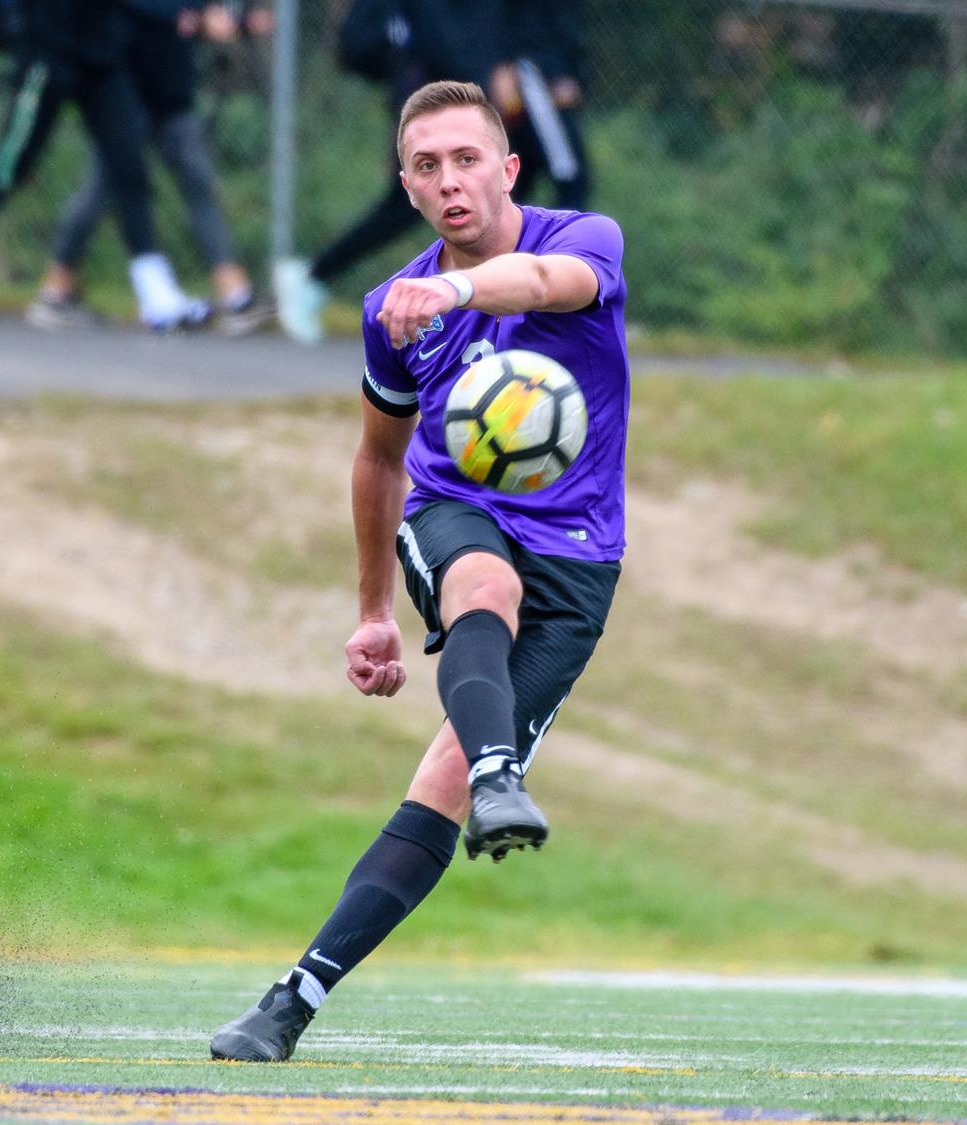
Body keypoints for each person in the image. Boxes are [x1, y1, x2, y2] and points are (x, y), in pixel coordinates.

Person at [209, 79, 629, 1063]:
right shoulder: (391, 312)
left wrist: (452, 288)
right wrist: (368, 611)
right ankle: (500, 771)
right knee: (485, 588)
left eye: (467, 159)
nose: (450, 181)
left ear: (508, 167)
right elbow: (378, 459)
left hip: (579, 554)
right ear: (405, 186)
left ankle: (289, 1001)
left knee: (438, 782)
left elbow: (541, 286)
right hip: (454, 512)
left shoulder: (587, 238)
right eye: (427, 166)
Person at [0, 0, 209, 331]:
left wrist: (191, 11)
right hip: (46, 56)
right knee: (9, 167)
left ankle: (156, 294)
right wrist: (17, 31)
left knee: (130, 168)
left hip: (102, 56)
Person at [27, 1, 267, 332]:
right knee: (101, 190)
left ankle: (236, 296)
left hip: (171, 97)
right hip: (126, 98)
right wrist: (194, 16)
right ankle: (55, 290)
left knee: (199, 182)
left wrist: (236, 22)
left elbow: (194, 20)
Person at [272, 0, 502, 344]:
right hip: (435, 96)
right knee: (408, 206)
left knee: (499, 194)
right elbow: (431, 35)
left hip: (470, 91)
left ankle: (505, 304)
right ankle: (313, 274)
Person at [498, 0, 591, 210]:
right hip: (533, 74)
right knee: (570, 180)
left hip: (546, 72)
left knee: (519, 178)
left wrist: (574, 74)